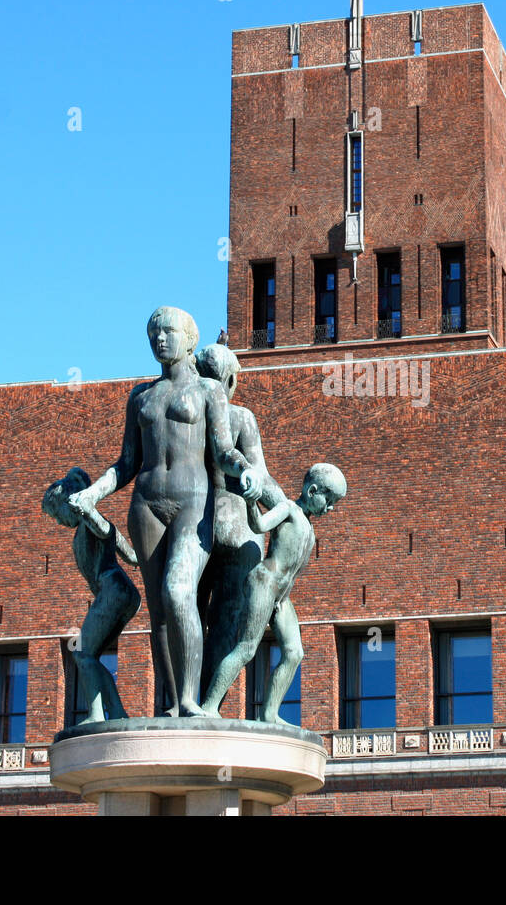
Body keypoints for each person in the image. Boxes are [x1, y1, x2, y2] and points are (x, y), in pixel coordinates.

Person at [66, 307, 264, 717]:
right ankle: (172, 703)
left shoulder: (210, 392)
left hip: (194, 502)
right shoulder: (141, 396)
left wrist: (245, 471)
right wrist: (95, 493)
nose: (160, 339)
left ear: (190, 340)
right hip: (146, 505)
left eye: (168, 331)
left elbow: (224, 450)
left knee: (179, 593)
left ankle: (192, 698)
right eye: (153, 332)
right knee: (159, 610)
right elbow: (125, 463)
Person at [200, 463, 347, 724]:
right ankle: (209, 706)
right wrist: (251, 501)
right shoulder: (288, 509)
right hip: (264, 582)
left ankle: (268, 713)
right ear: (312, 491)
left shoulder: (309, 528)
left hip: (281, 595)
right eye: (329, 499)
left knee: (294, 653)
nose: (331, 507)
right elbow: (259, 525)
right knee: (246, 648)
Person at [192, 344, 287, 708]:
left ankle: (182, 700)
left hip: (192, 528)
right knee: (227, 625)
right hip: (238, 529)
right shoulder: (239, 417)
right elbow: (259, 475)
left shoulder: (183, 419)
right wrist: (286, 509)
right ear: (230, 381)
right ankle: (208, 707)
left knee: (188, 615)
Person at [41, 467, 140, 724]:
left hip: (113, 590)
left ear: (67, 503)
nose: (59, 522)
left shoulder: (89, 519)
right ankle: (115, 711)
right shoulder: (88, 523)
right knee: (90, 655)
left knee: (82, 653)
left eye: (57, 515)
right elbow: (131, 556)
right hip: (122, 593)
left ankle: (96, 715)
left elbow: (103, 529)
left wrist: (86, 508)